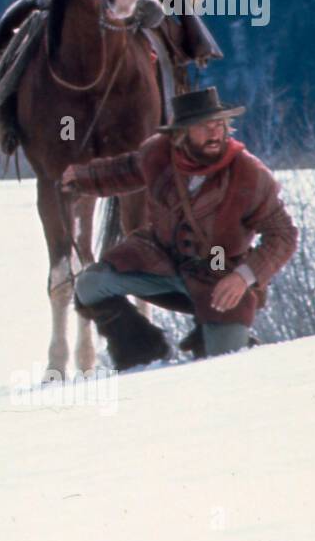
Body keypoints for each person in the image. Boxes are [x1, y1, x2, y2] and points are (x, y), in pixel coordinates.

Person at [60, 87, 298, 368]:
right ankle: (141, 350)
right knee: (91, 284)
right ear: (181, 134)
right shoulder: (158, 153)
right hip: (160, 260)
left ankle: (227, 340)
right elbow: (125, 169)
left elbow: (283, 235)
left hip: (217, 276)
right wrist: (80, 176)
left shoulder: (249, 174)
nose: (214, 133)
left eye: (219, 125)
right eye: (203, 126)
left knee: (223, 361)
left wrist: (243, 277)